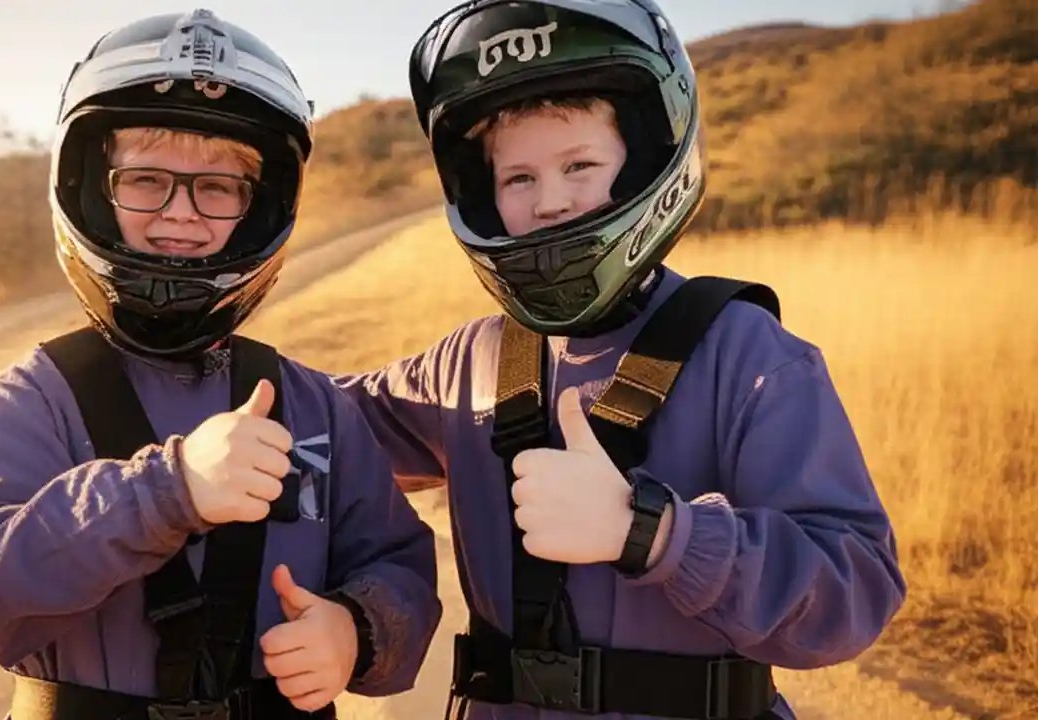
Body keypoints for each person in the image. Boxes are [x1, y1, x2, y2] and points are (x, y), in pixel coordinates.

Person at [336, 1, 906, 718]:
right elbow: (323, 418)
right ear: (483, 194)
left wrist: (656, 533)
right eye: (518, 179)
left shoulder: (750, 357)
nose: (550, 202)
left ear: (640, 164)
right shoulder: (472, 361)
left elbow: (854, 593)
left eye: (580, 164)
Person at [0, 9, 440, 720]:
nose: (180, 214)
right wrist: (167, 491)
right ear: (91, 185)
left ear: (258, 207)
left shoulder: (313, 404)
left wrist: (356, 629)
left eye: (218, 188)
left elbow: (401, 565)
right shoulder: (30, 400)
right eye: (144, 180)